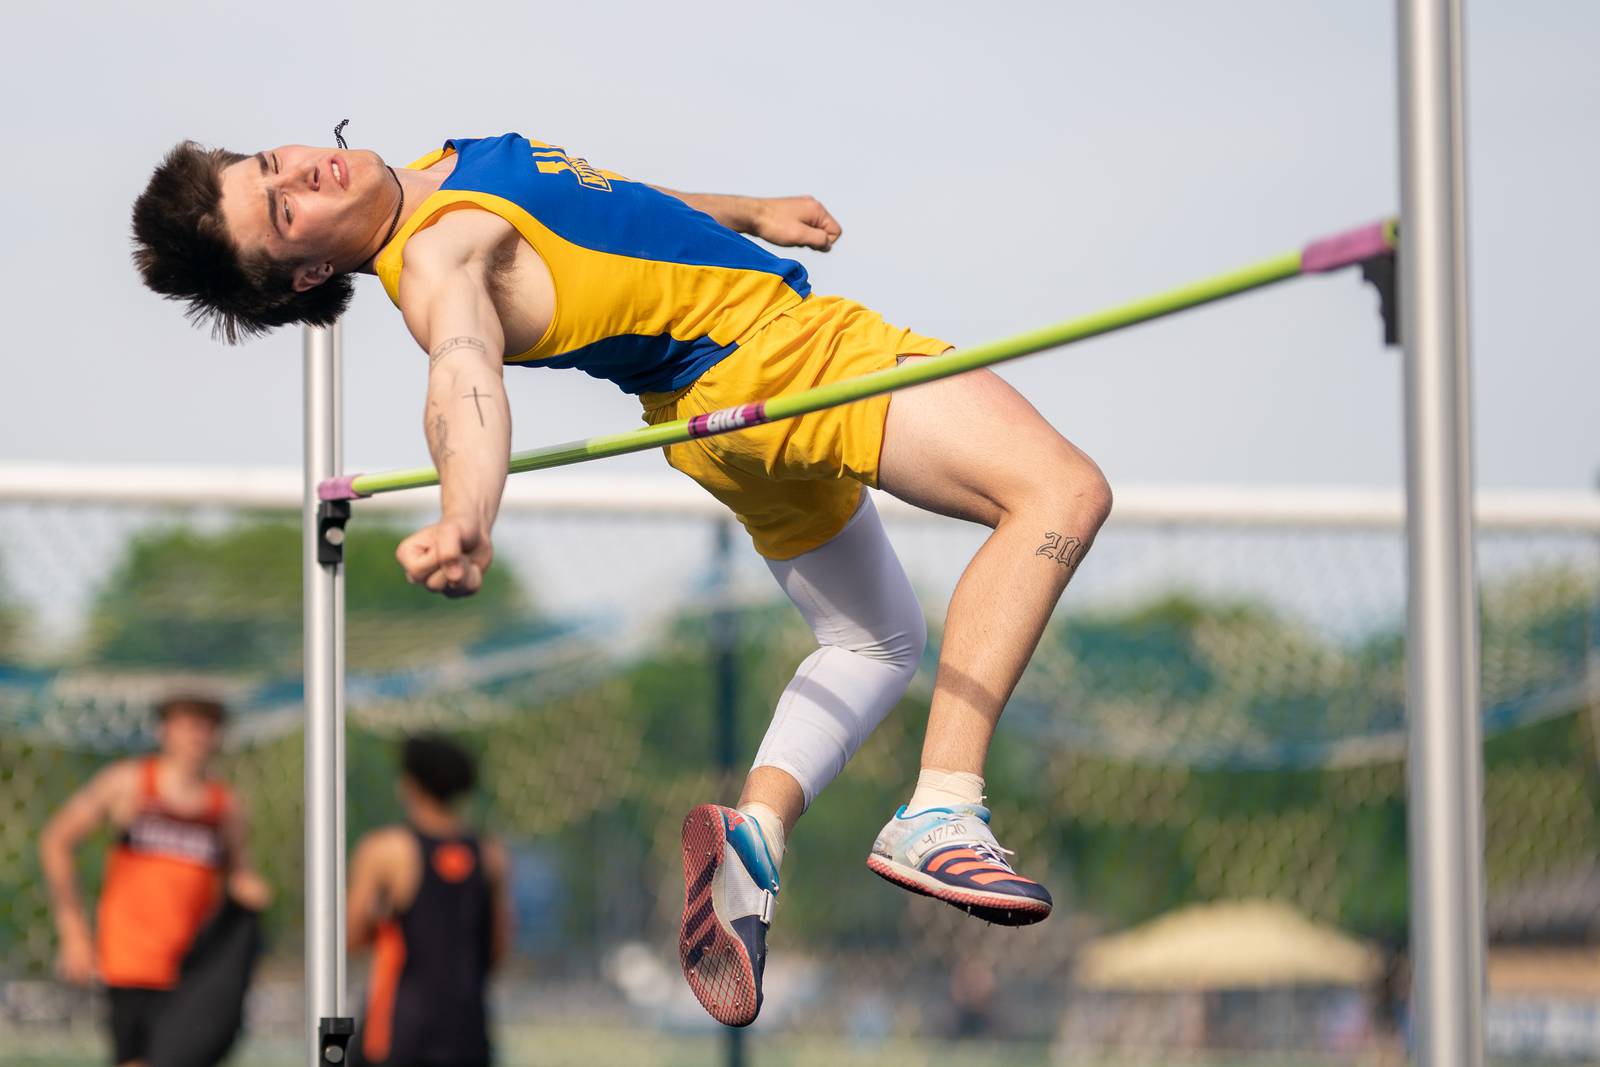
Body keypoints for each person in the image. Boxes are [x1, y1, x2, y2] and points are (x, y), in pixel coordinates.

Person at [130, 127, 1114, 1026]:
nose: (301, 174)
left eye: (271, 164)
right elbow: (463, 375)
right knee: (1057, 493)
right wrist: (467, 513)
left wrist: (744, 212)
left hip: (720, 411)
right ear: (307, 271)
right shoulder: (435, 260)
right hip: (782, 360)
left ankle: (756, 834)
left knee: (871, 641)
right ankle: (940, 803)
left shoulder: (442, 162)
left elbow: (607, 198)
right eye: (285, 211)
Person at [38, 695, 269, 1066]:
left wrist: (252, 894)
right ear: (166, 729)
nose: (199, 736)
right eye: (190, 724)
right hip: (132, 958)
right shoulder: (128, 783)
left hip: (193, 966)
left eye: (208, 727)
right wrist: (72, 929)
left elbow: (239, 877)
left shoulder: (224, 806)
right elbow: (57, 840)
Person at [346, 734, 512, 1067]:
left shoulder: (387, 851)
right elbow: (496, 951)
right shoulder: (490, 855)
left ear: (411, 784)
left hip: (399, 1031)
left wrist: (382, 919)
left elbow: (349, 938)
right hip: (467, 1030)